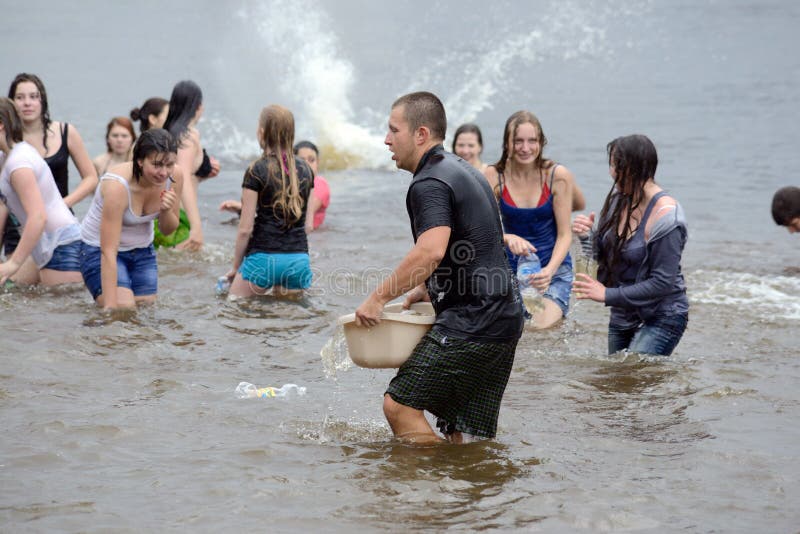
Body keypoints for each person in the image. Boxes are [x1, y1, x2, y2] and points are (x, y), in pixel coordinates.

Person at [355, 92, 523, 444]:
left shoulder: (429, 181)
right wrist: (429, 287)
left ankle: (430, 483)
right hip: (504, 313)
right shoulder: (463, 169)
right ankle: (461, 486)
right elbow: (471, 243)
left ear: (421, 134)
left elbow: (430, 250)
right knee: (455, 424)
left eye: (393, 130)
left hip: (476, 318)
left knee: (399, 405)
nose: (386, 139)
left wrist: (377, 298)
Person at [572, 134, 689, 357]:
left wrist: (607, 295)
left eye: (615, 165)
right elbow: (605, 259)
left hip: (662, 316)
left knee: (633, 374)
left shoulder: (667, 217)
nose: (611, 172)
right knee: (616, 383)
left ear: (632, 169)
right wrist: (588, 236)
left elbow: (662, 282)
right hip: (622, 314)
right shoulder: (618, 200)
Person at [484, 110, 580, 329]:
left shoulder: (557, 175)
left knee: (537, 328)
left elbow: (566, 235)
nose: (525, 148)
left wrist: (549, 272)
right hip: (510, 272)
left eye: (532, 141)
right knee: (505, 329)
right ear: (507, 143)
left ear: (541, 142)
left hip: (553, 271)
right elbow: (483, 229)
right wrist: (507, 237)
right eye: (518, 141)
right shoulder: (494, 175)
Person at [78, 129, 183, 310]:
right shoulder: (117, 186)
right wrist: (110, 311)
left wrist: (165, 211)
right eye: (157, 164)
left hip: (142, 251)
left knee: (145, 309)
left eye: (169, 165)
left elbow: (168, 230)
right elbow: (108, 251)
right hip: (98, 250)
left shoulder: (175, 176)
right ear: (140, 161)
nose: (163, 172)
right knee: (122, 309)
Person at [223, 105, 314, 298]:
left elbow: (245, 229)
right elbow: (309, 225)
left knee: (233, 308)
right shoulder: (306, 169)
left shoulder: (256, 170)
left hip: (262, 261)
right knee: (289, 320)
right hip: (298, 261)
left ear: (262, 133)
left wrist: (236, 268)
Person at [2, 73, 98, 258]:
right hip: (19, 228)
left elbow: (91, 178)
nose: (27, 103)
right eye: (20, 98)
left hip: (58, 224)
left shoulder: (65, 132)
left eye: (33, 96)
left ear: (43, 100)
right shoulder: (7, 144)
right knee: (17, 286)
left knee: (61, 286)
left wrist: (63, 203)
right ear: (12, 104)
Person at [0, 98, 83, 286]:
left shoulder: (18, 163)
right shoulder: (7, 156)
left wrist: (13, 263)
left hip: (62, 245)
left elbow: (38, 217)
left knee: (63, 312)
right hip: (49, 245)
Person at [220, 139, 329, 232]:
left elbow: (299, 214)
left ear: (318, 163)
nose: (307, 164)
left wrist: (244, 208)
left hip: (308, 238)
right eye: (301, 160)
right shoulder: (288, 183)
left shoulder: (320, 185)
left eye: (311, 160)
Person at [157, 80, 216, 251]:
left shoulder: (168, 132)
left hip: (165, 210)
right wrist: (195, 226)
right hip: (180, 215)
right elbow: (182, 178)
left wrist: (201, 175)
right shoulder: (188, 136)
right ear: (198, 106)